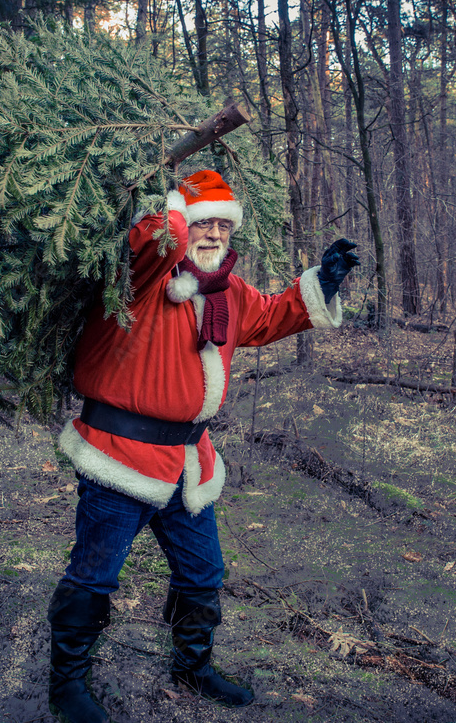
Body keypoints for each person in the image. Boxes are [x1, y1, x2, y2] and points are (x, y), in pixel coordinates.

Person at [47, 169, 359, 723]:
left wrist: (323, 283)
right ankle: (67, 684)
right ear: (181, 225)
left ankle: (192, 665)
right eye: (202, 223)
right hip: (120, 456)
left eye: (223, 224)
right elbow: (149, 239)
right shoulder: (139, 278)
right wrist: (172, 187)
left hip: (190, 462)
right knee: (94, 574)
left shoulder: (227, 290)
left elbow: (269, 317)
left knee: (203, 572)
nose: (214, 234)